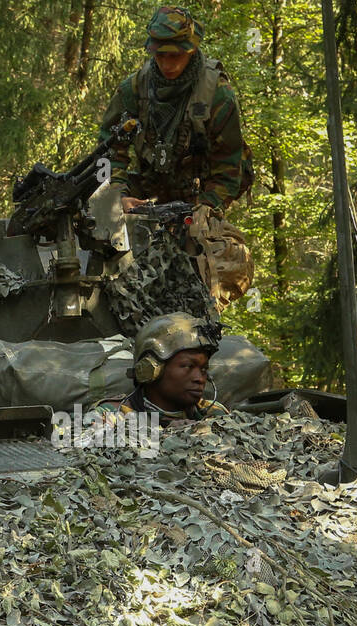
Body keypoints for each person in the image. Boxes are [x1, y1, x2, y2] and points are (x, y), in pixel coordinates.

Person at [98, 6, 254, 308]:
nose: (168, 64)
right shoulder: (133, 90)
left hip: (201, 190)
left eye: (176, 56)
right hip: (150, 184)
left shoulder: (216, 94)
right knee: (98, 216)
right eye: (161, 56)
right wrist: (116, 196)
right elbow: (108, 152)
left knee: (208, 260)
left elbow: (228, 167)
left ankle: (199, 317)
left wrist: (207, 209)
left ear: (192, 51)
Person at [90, 312, 229, 427]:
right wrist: (164, 437)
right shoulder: (111, 415)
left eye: (204, 370)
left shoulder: (214, 412)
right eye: (188, 366)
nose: (199, 378)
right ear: (151, 369)